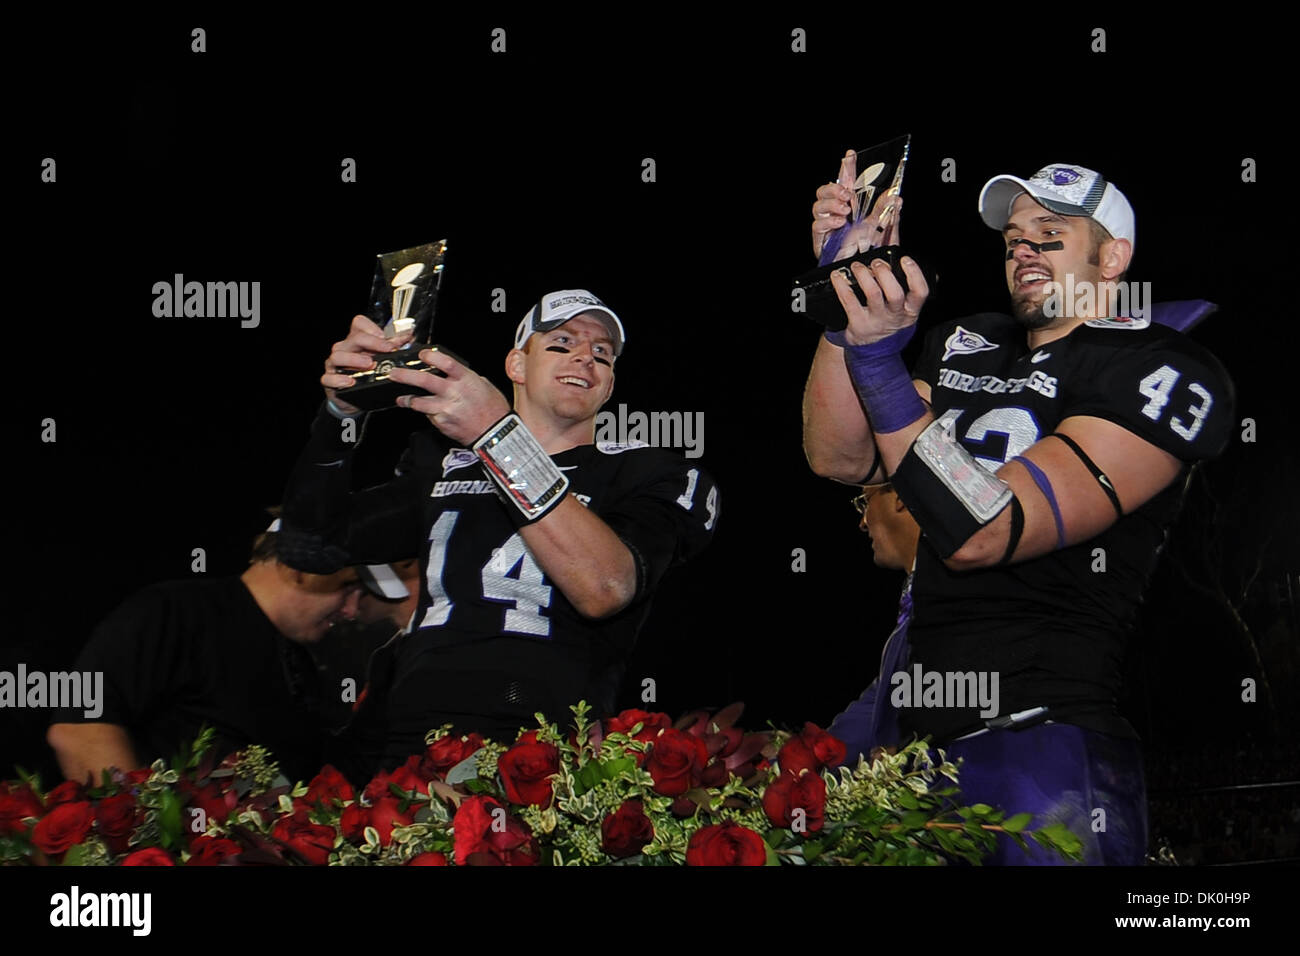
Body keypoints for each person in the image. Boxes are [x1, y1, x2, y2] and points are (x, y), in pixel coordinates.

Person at [802, 162, 1234, 864]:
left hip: (1044, 737)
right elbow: (841, 457)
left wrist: (881, 364)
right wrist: (841, 311)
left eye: (1050, 233)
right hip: (919, 735)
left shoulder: (1160, 366)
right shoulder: (966, 341)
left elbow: (986, 528)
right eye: (1013, 238)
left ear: (1113, 256)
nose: (1023, 248)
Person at [277, 289, 718, 766]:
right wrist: (340, 415)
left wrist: (496, 434)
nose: (584, 358)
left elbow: (606, 585)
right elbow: (309, 545)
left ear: (610, 386)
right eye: (561, 342)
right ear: (515, 365)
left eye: (602, 353)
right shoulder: (446, 464)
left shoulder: (648, 473)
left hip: (545, 751)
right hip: (409, 742)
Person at [46, 523, 370, 785]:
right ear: (302, 565)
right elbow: (79, 731)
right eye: (348, 586)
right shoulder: (173, 612)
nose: (352, 610)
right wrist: (148, 842)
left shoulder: (300, 661)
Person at [827, 481, 920, 762]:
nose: (863, 523)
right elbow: (870, 717)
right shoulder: (919, 598)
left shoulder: (959, 598)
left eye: (864, 502)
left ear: (901, 495)